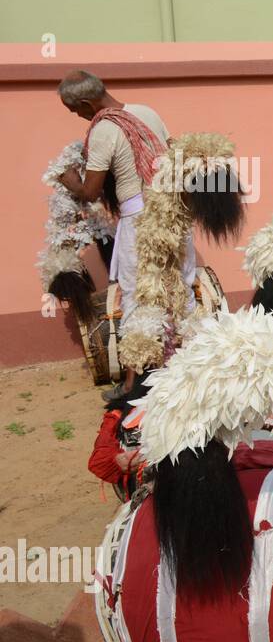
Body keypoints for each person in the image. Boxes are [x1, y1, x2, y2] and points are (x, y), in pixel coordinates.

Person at [55, 70, 176, 399]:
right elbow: (171, 154)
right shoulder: (146, 112)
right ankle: (182, 369)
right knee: (177, 288)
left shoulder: (104, 129)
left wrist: (71, 181)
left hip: (139, 217)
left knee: (134, 294)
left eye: (75, 110)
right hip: (171, 213)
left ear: (85, 102)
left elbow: (91, 192)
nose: (78, 116)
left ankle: (132, 385)